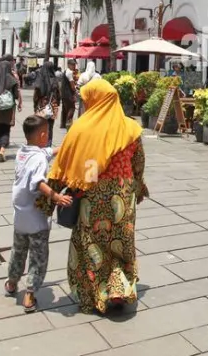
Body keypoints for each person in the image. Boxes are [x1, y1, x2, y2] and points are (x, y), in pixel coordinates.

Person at [47, 78, 149, 315]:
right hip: (123, 197)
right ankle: (118, 289)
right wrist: (139, 187)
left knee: (92, 245)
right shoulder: (130, 128)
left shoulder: (82, 128)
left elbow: (68, 163)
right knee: (120, 244)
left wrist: (47, 198)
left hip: (92, 198)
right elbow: (139, 163)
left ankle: (96, 294)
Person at [6, 115, 71, 312]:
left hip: (20, 217)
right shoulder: (40, 159)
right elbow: (38, 183)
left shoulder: (23, 152)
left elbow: (49, 151)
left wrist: (67, 146)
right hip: (36, 219)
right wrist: (56, 197)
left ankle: (11, 283)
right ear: (43, 135)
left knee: (18, 251)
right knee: (38, 257)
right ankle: (29, 295)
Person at [34, 59, 59, 144]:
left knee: (40, 125)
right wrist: (57, 103)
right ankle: (48, 144)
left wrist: (35, 105)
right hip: (52, 105)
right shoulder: (55, 79)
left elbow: (36, 94)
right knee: (50, 126)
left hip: (42, 104)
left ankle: (40, 143)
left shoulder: (40, 79)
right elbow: (58, 94)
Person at [59, 60, 79, 128]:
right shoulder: (69, 72)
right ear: (68, 65)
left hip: (64, 93)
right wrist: (76, 92)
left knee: (65, 109)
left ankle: (63, 124)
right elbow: (72, 85)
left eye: (74, 65)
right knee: (72, 108)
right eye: (73, 65)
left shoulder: (66, 71)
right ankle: (68, 123)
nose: (74, 66)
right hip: (68, 93)